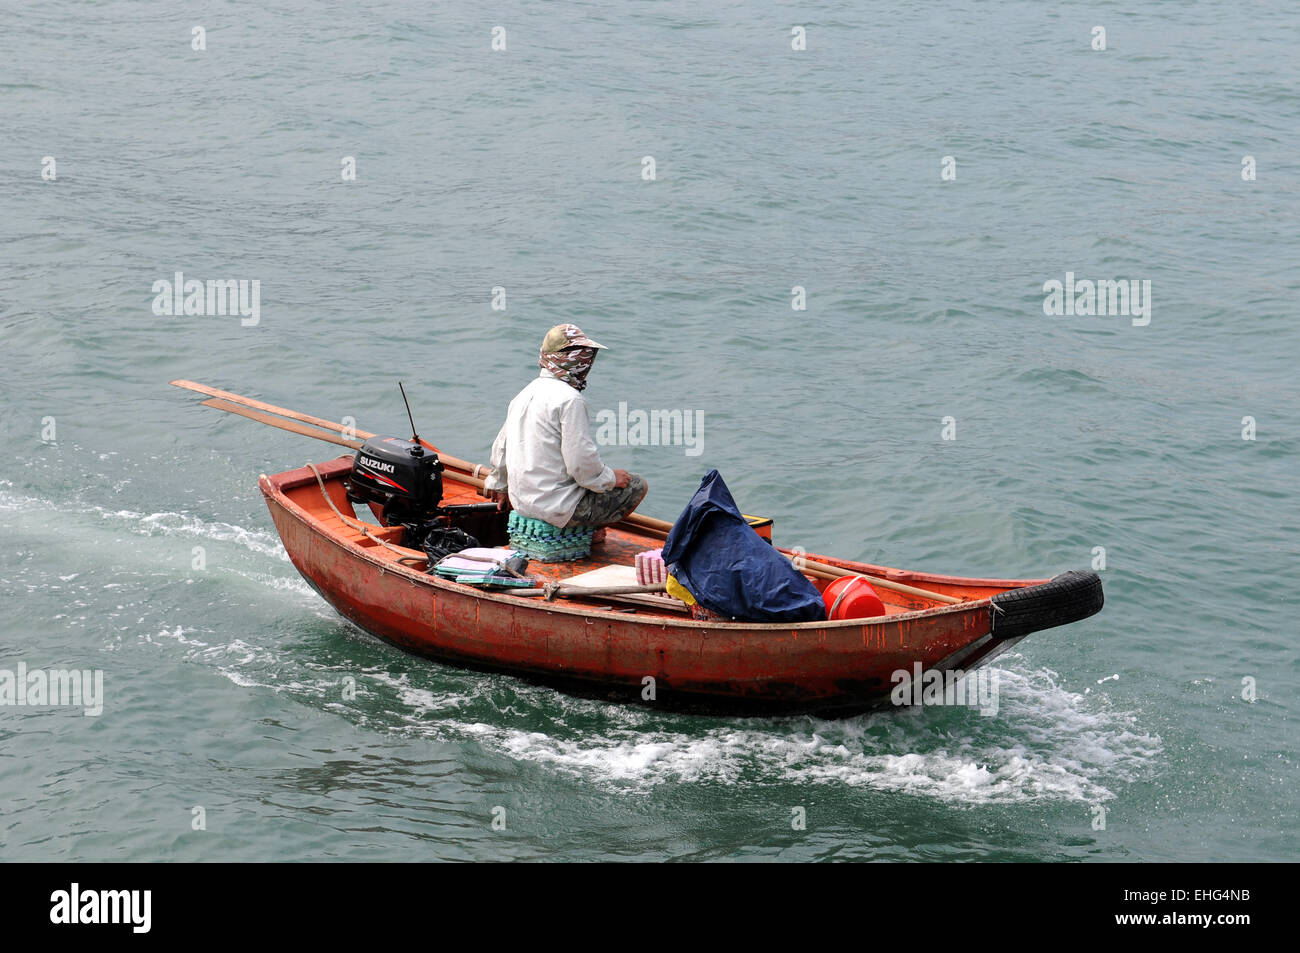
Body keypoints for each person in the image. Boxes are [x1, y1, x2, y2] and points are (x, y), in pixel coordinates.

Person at [482, 324, 647, 538]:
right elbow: (581, 466)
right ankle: (589, 533)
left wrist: (501, 486)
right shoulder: (570, 400)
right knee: (636, 485)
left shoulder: (524, 394)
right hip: (557, 509)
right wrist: (611, 478)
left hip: (522, 502)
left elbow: (501, 449)